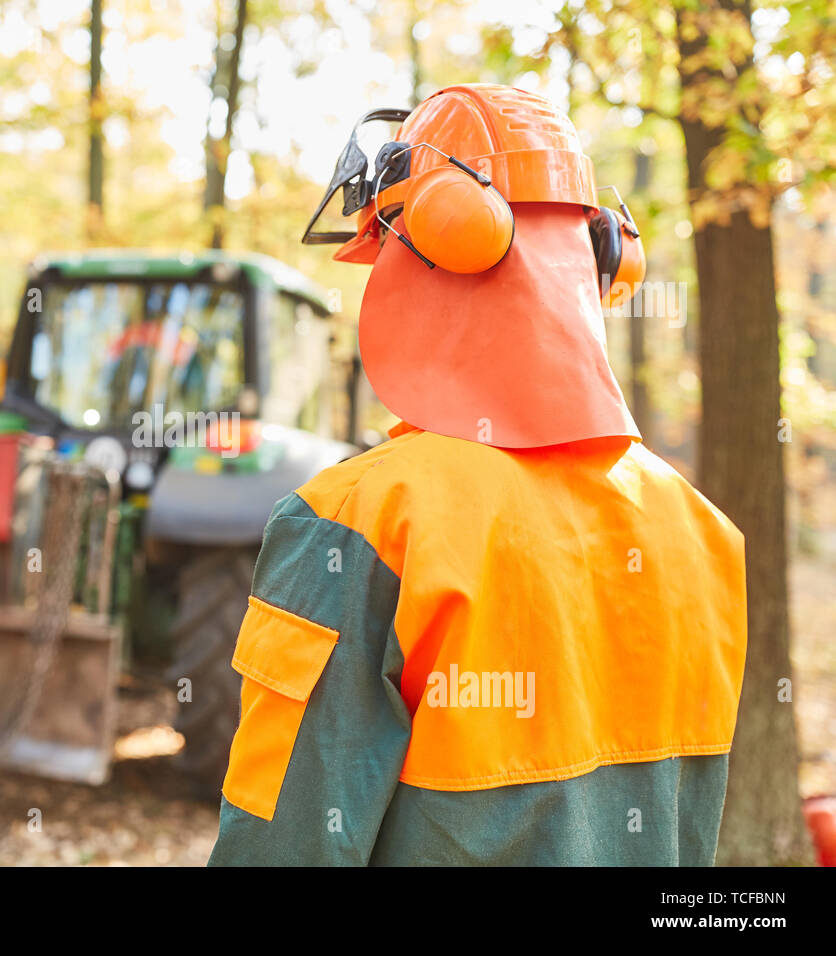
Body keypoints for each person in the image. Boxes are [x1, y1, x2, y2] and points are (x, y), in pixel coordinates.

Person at [209, 84, 748, 865]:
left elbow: (284, 843)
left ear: (443, 238)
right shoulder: (702, 530)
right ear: (601, 259)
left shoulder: (363, 519)